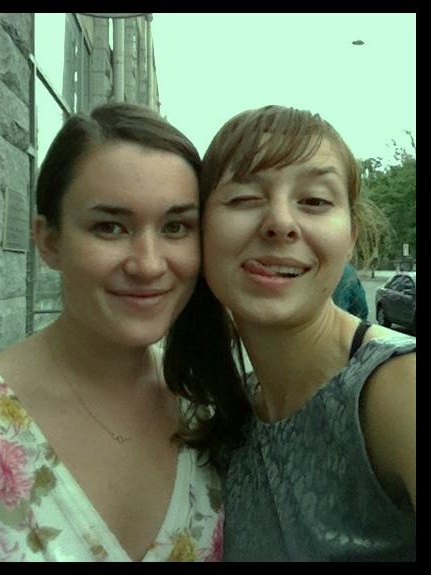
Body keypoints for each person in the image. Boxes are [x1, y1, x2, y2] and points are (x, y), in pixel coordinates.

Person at [0, 103, 224, 562]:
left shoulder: (209, 411)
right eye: (110, 227)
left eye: (175, 227)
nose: (148, 264)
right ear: (49, 240)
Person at [164, 105, 415, 561]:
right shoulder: (229, 415)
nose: (280, 222)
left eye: (314, 201)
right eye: (244, 198)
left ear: (351, 235)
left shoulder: (398, 389)